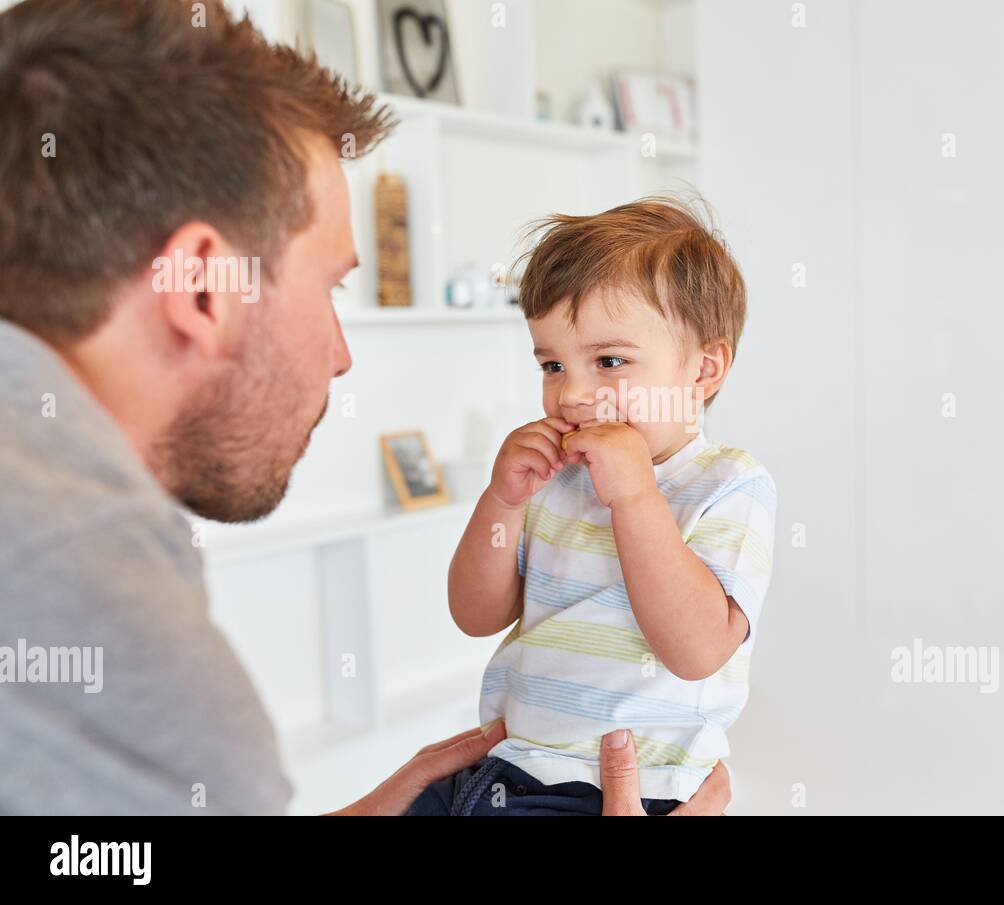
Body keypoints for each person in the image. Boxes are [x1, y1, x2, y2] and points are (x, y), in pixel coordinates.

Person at [0, 0, 728, 816]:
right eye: (330, 286)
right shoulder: (79, 569)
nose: (342, 352)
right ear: (202, 287)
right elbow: (479, 605)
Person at [410, 199, 775, 814]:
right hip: (507, 766)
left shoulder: (729, 483)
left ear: (704, 369)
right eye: (552, 364)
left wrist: (635, 497)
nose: (573, 394)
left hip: (624, 788)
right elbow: (476, 614)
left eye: (609, 362)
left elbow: (696, 650)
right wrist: (500, 502)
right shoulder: (555, 479)